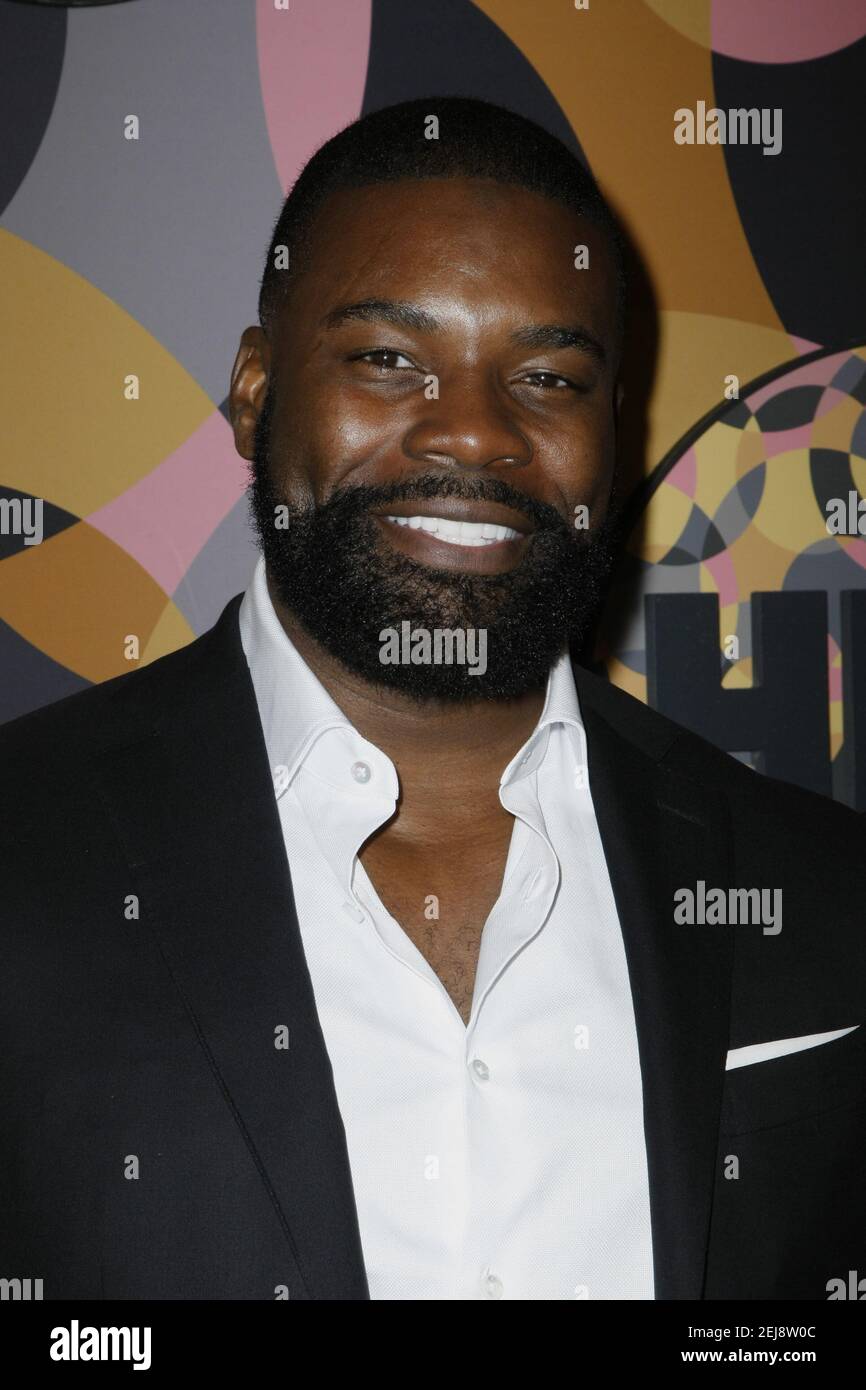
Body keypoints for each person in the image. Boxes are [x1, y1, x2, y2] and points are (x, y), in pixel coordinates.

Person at [1, 97, 863, 1302]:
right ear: (253, 389)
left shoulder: (818, 889)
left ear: (611, 434)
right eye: (387, 359)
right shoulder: (24, 851)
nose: (473, 431)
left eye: (548, 375)